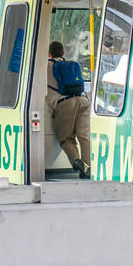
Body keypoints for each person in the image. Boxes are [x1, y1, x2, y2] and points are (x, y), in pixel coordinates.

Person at [46, 39, 91, 179]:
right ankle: (89, 169)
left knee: (66, 138)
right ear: (63, 53)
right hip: (83, 100)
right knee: (84, 136)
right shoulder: (70, 65)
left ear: (49, 54)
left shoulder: (46, 65)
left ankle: (77, 162)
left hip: (64, 103)